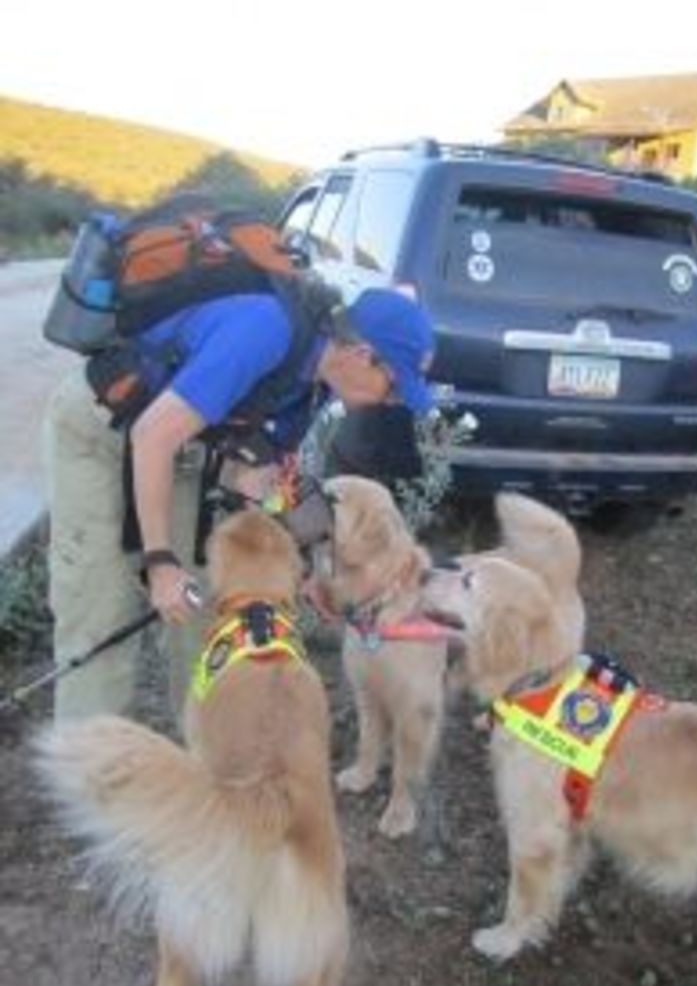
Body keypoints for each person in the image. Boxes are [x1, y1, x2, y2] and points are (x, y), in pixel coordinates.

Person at [43, 277, 436, 725]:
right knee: (102, 620)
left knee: (201, 612)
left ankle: (208, 764)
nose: (393, 401)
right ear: (364, 355)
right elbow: (151, 437)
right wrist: (160, 562)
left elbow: (259, 477)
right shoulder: (263, 332)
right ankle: (93, 773)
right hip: (100, 435)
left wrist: (303, 573)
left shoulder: (317, 382)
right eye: (395, 386)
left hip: (181, 450)